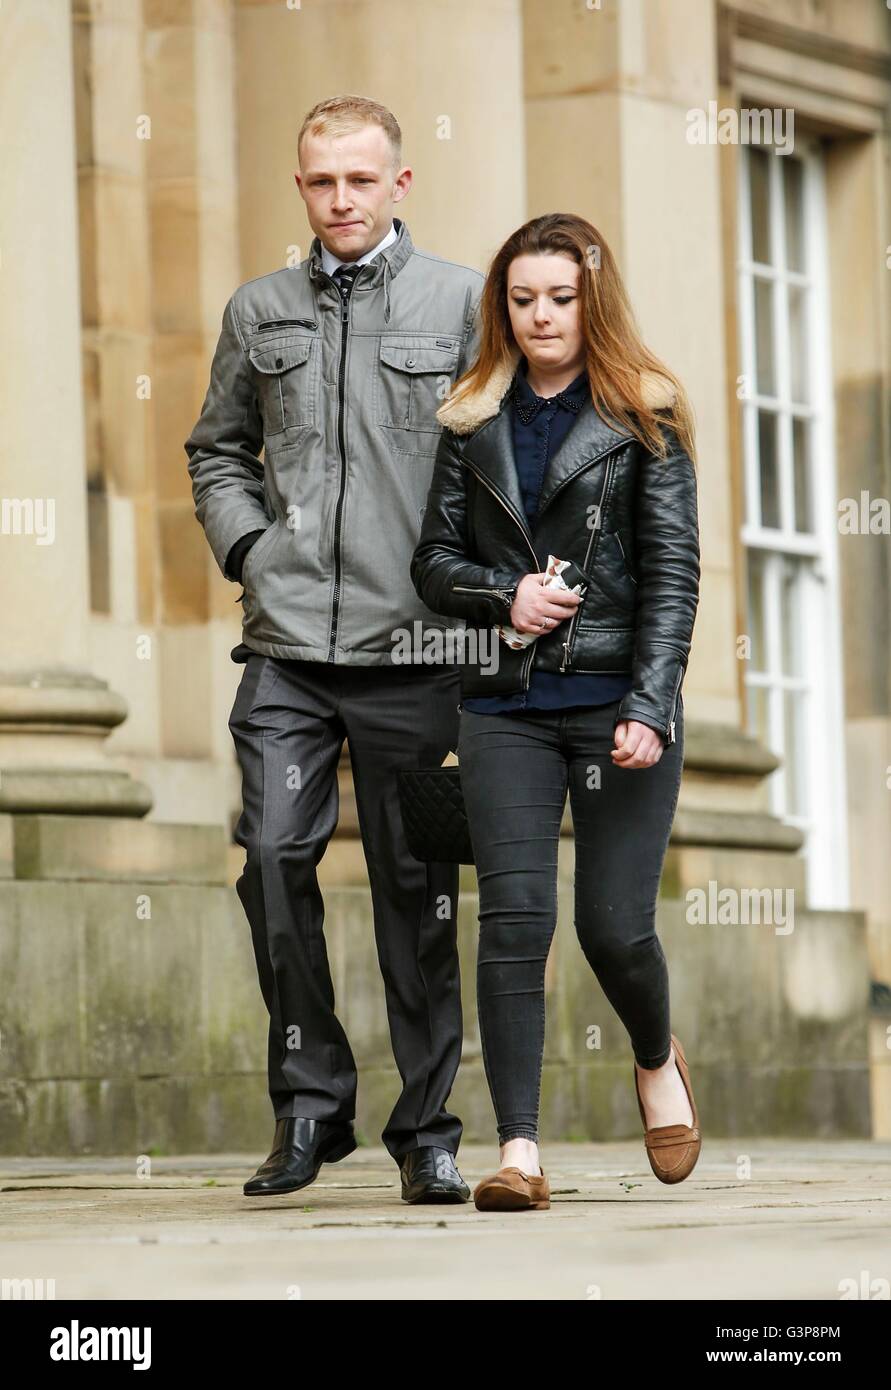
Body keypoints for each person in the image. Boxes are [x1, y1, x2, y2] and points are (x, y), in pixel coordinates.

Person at [185, 95, 484, 1204]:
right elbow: (216, 449)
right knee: (270, 859)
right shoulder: (258, 308)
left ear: (400, 183)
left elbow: (497, 462)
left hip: (419, 647)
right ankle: (309, 1109)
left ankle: (430, 1130)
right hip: (288, 648)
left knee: (420, 890)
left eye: (362, 179)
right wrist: (253, 550)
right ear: (301, 187)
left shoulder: (463, 303)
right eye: (322, 181)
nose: (342, 199)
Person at [411, 213, 702, 1212]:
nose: (541, 316)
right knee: (514, 918)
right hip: (507, 706)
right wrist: (506, 599)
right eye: (523, 297)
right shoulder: (470, 416)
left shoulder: (645, 416)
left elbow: (673, 574)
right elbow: (432, 563)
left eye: (561, 298)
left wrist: (653, 703)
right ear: (505, 304)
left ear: (593, 301)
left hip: (619, 704)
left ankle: (656, 1054)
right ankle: (521, 1153)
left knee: (614, 927)